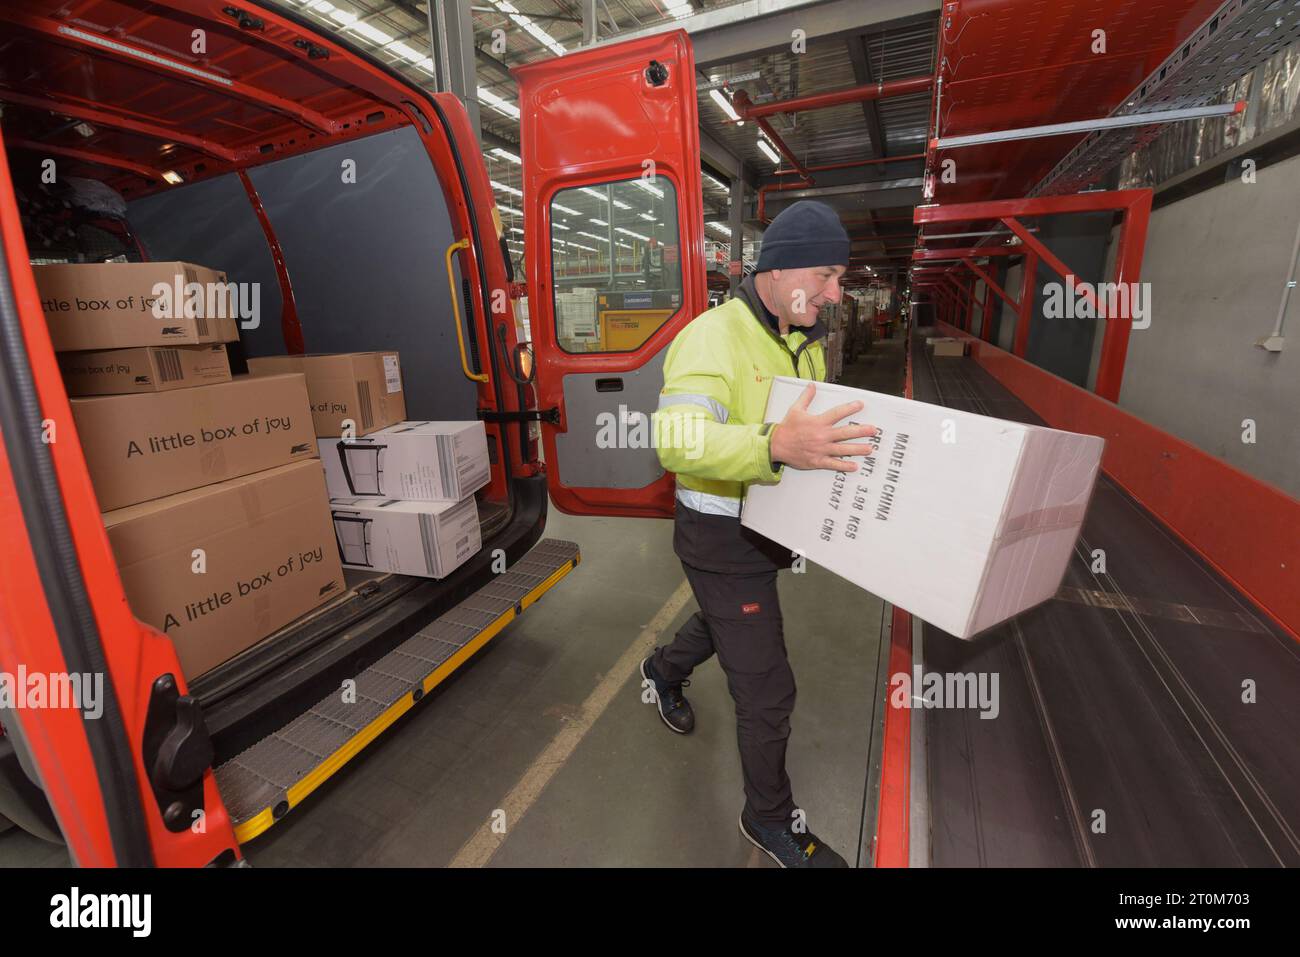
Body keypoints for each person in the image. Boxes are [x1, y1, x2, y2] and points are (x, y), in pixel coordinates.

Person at [642, 200, 879, 868]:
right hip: (719, 537)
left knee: (725, 625)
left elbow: (803, 444)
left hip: (765, 529)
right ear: (780, 268)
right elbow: (676, 438)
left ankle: (661, 669)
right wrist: (774, 442)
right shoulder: (712, 337)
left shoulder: (796, 341)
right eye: (829, 276)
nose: (837, 294)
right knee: (768, 689)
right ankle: (768, 817)